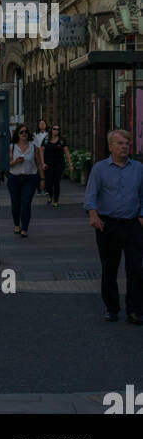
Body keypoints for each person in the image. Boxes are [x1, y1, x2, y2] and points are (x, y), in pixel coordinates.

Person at [84, 128, 143, 324]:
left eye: (127, 143)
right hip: (108, 225)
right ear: (111, 147)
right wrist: (93, 215)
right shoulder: (100, 169)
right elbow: (91, 195)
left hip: (133, 224)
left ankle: (134, 310)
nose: (125, 146)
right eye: (120, 143)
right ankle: (112, 308)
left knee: (136, 268)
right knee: (110, 268)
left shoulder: (138, 168)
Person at [8, 124, 43, 236]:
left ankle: (25, 229)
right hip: (14, 178)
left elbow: (38, 163)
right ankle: (17, 225)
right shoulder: (12, 146)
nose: (24, 134)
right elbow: (7, 165)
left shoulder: (33, 147)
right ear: (17, 134)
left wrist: (42, 178)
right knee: (15, 204)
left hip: (30, 178)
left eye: (26, 132)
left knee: (26, 203)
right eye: (21, 132)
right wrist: (15, 162)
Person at [41, 124, 71, 206]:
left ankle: (56, 200)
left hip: (59, 164)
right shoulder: (46, 140)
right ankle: (50, 194)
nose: (56, 131)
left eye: (58, 129)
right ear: (51, 130)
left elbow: (66, 152)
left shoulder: (61, 140)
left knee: (56, 182)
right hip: (48, 164)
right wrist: (42, 162)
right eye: (54, 129)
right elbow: (41, 150)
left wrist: (70, 163)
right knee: (48, 183)